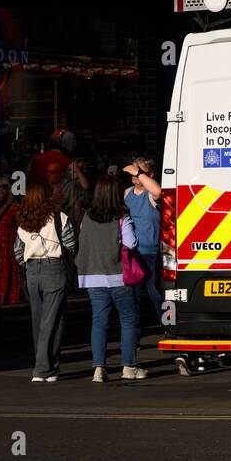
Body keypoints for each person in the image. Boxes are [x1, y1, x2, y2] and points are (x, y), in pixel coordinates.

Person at [77, 176, 146, 381]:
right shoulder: (122, 216)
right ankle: (129, 367)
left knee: (99, 322)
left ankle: (98, 368)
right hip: (119, 276)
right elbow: (131, 244)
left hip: (92, 277)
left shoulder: (87, 217)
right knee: (128, 320)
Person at [14, 180, 77, 382]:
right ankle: (41, 369)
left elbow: (17, 252)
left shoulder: (23, 221)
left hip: (32, 271)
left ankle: (51, 367)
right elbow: (71, 244)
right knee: (51, 320)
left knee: (43, 320)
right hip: (54, 268)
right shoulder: (59, 218)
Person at [123, 158, 164, 324]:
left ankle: (168, 325)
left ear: (150, 175)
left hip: (151, 252)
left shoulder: (151, 194)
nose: (135, 175)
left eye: (139, 172)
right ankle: (134, 332)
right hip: (133, 252)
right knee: (132, 294)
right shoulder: (127, 193)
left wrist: (139, 174)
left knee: (155, 293)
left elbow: (158, 191)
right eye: (133, 171)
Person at [0, 174, 23, 307]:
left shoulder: (14, 208)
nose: (1, 190)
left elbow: (21, 229)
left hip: (8, 251)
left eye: (5, 187)